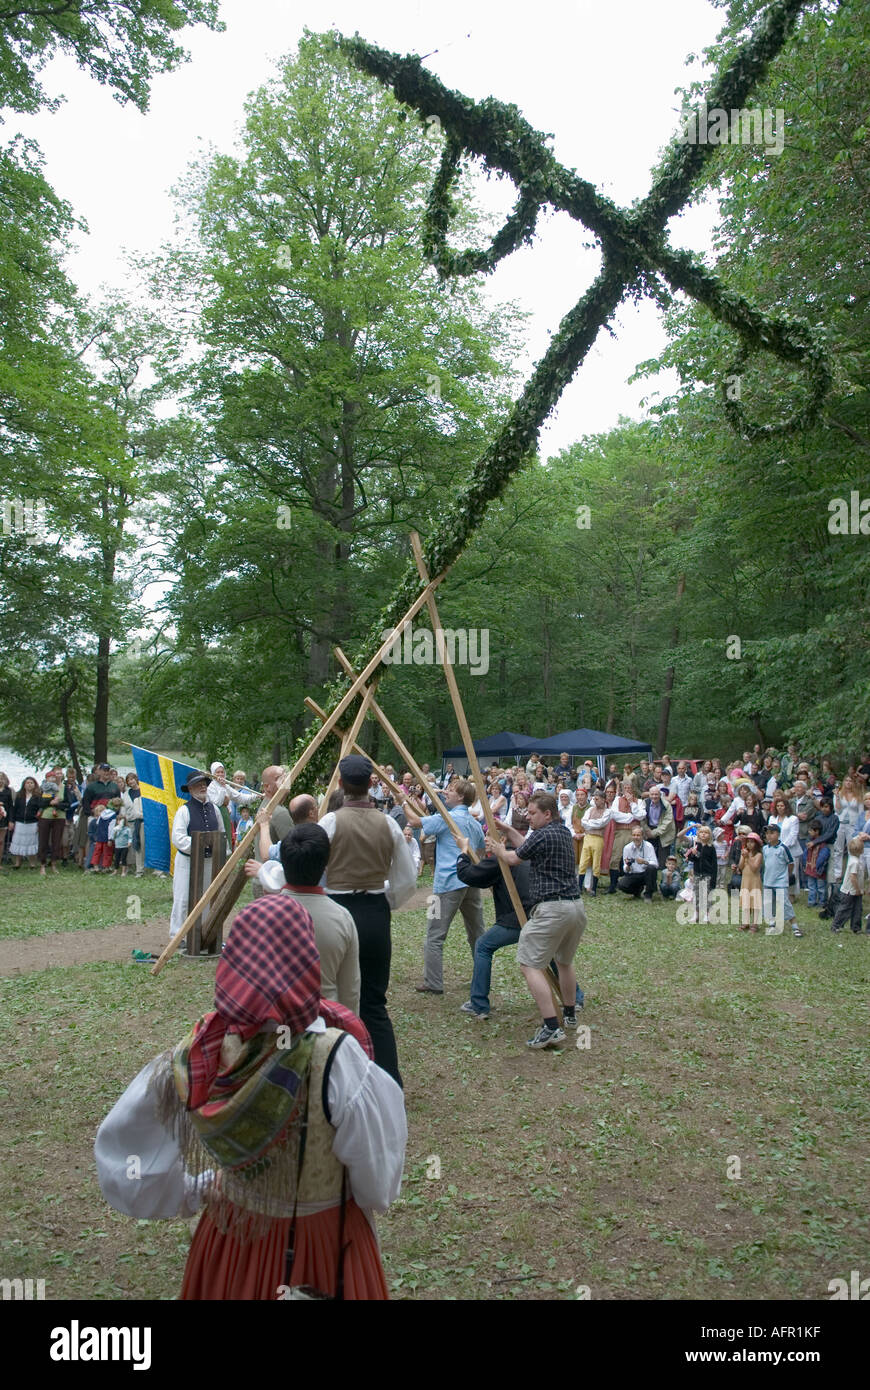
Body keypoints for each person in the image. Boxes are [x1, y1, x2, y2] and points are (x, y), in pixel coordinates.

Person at [95, 898, 406, 1300]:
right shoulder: (338, 1058)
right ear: (305, 961)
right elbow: (377, 1186)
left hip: (230, 1244)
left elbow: (126, 1158)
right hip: (321, 1249)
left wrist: (197, 1189)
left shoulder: (201, 1050)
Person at [320, 756, 416, 1087]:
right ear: (371, 785)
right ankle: (389, 1081)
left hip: (336, 910)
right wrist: (381, 900)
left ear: (342, 785)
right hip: (375, 912)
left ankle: (335, 1080)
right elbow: (406, 881)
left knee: (332, 1000)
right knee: (374, 1000)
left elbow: (313, 873)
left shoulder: (329, 823)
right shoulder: (388, 824)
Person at [486, 791, 586, 1050]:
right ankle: (570, 1015)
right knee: (564, 962)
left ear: (547, 814)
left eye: (532, 814)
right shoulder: (561, 832)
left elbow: (513, 858)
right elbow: (526, 845)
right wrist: (507, 828)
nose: (528, 817)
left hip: (552, 910)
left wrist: (498, 848)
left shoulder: (543, 835)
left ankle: (551, 1027)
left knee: (529, 964)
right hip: (575, 908)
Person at [247, 822, 361, 1013]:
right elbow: (350, 991)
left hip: (270, 1027)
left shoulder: (257, 916)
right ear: (326, 864)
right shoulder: (342, 919)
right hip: (324, 1028)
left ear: (284, 860)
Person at [401, 776, 485, 998]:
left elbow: (415, 822)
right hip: (471, 883)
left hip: (447, 884)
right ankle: (481, 977)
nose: (445, 792)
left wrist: (402, 802)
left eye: (450, 789)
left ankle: (433, 982)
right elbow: (481, 851)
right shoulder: (475, 824)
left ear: (461, 797)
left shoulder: (447, 818)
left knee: (434, 934)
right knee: (477, 933)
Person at [455, 843, 534, 1020]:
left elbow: (467, 875)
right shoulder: (521, 856)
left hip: (517, 919)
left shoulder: (500, 859)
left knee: (483, 946)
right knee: (548, 952)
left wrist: (462, 853)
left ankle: (479, 1005)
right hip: (538, 916)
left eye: (489, 839)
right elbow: (484, 878)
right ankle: (574, 997)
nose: (486, 843)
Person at [168, 772, 223, 942]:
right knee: (183, 898)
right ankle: (178, 937)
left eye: (204, 783)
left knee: (207, 898)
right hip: (188, 861)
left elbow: (221, 833)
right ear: (190, 789)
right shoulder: (184, 810)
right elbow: (177, 838)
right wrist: (199, 844)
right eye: (198, 784)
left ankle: (202, 934)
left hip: (209, 862)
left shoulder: (215, 809)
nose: (202, 787)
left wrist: (221, 850)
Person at [761, 822, 800, 936]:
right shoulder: (765, 849)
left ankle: (794, 926)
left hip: (780, 882)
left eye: (772, 833)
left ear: (778, 834)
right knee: (769, 904)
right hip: (768, 881)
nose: (769, 836)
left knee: (784, 903)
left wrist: (785, 876)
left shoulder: (783, 848)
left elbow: (790, 863)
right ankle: (772, 924)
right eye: (767, 833)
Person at [830, 837, 868, 934]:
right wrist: (857, 889)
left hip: (856, 891)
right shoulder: (854, 862)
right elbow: (853, 877)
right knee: (845, 909)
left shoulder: (857, 860)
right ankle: (836, 925)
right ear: (860, 850)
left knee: (857, 909)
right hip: (849, 891)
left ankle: (856, 927)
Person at [578, 789, 610, 895]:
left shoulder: (607, 812)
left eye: (597, 799)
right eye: (594, 799)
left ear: (603, 800)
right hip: (587, 837)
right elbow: (583, 822)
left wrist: (590, 823)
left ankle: (594, 888)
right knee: (583, 862)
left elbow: (601, 823)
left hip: (598, 838)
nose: (595, 801)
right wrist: (591, 823)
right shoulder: (590, 810)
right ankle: (579, 887)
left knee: (596, 863)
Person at [617, 825, 659, 900]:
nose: (636, 837)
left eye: (638, 835)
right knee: (621, 885)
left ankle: (648, 895)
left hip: (646, 873)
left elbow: (656, 864)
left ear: (642, 836)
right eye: (634, 835)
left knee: (651, 868)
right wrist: (628, 866)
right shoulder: (627, 848)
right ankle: (637, 891)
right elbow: (625, 869)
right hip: (634, 874)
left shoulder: (648, 846)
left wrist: (645, 862)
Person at [686, 824, 717, 922]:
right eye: (702, 832)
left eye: (706, 833)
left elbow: (714, 863)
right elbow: (692, 859)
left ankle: (707, 914)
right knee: (697, 894)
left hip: (708, 874)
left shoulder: (711, 848)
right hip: (697, 873)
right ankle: (696, 914)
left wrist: (713, 878)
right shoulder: (696, 846)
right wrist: (693, 853)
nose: (703, 835)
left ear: (709, 835)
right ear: (698, 834)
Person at [10, 776, 41, 867]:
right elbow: (14, 809)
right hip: (20, 822)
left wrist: (39, 823)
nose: (29, 784)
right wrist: (12, 821)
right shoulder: (19, 795)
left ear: (35, 785)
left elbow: (40, 810)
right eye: (27, 783)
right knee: (19, 841)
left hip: (33, 822)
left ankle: (32, 863)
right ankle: (18, 862)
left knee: (32, 842)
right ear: (24, 785)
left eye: (31, 783)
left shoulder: (38, 796)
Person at [120, 773, 146, 877]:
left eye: (132, 779)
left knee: (143, 844)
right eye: (128, 780)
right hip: (130, 822)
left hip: (142, 822)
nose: (130, 782)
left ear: (136, 779)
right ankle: (138, 869)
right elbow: (123, 808)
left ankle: (150, 868)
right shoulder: (126, 794)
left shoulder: (143, 792)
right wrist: (122, 821)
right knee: (135, 846)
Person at [644, 786, 675, 868]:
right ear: (649, 795)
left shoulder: (666, 805)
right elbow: (641, 820)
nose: (654, 796)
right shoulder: (644, 803)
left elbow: (667, 822)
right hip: (648, 829)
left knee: (663, 862)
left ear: (660, 795)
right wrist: (648, 831)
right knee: (648, 856)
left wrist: (654, 833)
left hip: (663, 831)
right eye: (652, 794)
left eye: (656, 794)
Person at [738, 831, 763, 931]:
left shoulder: (758, 855)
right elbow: (741, 867)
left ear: (756, 844)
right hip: (745, 881)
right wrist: (743, 857)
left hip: (755, 881)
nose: (749, 844)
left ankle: (755, 923)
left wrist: (748, 857)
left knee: (755, 903)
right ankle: (746, 922)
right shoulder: (744, 853)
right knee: (746, 902)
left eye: (752, 842)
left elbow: (755, 868)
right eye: (748, 842)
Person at [803, 821, 830, 908]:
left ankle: (822, 902)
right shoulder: (810, 842)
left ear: (817, 831)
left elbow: (823, 856)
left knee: (820, 887)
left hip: (818, 870)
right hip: (810, 869)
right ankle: (812, 901)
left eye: (811, 830)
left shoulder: (822, 845)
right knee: (811, 886)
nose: (809, 832)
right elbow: (805, 854)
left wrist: (817, 865)